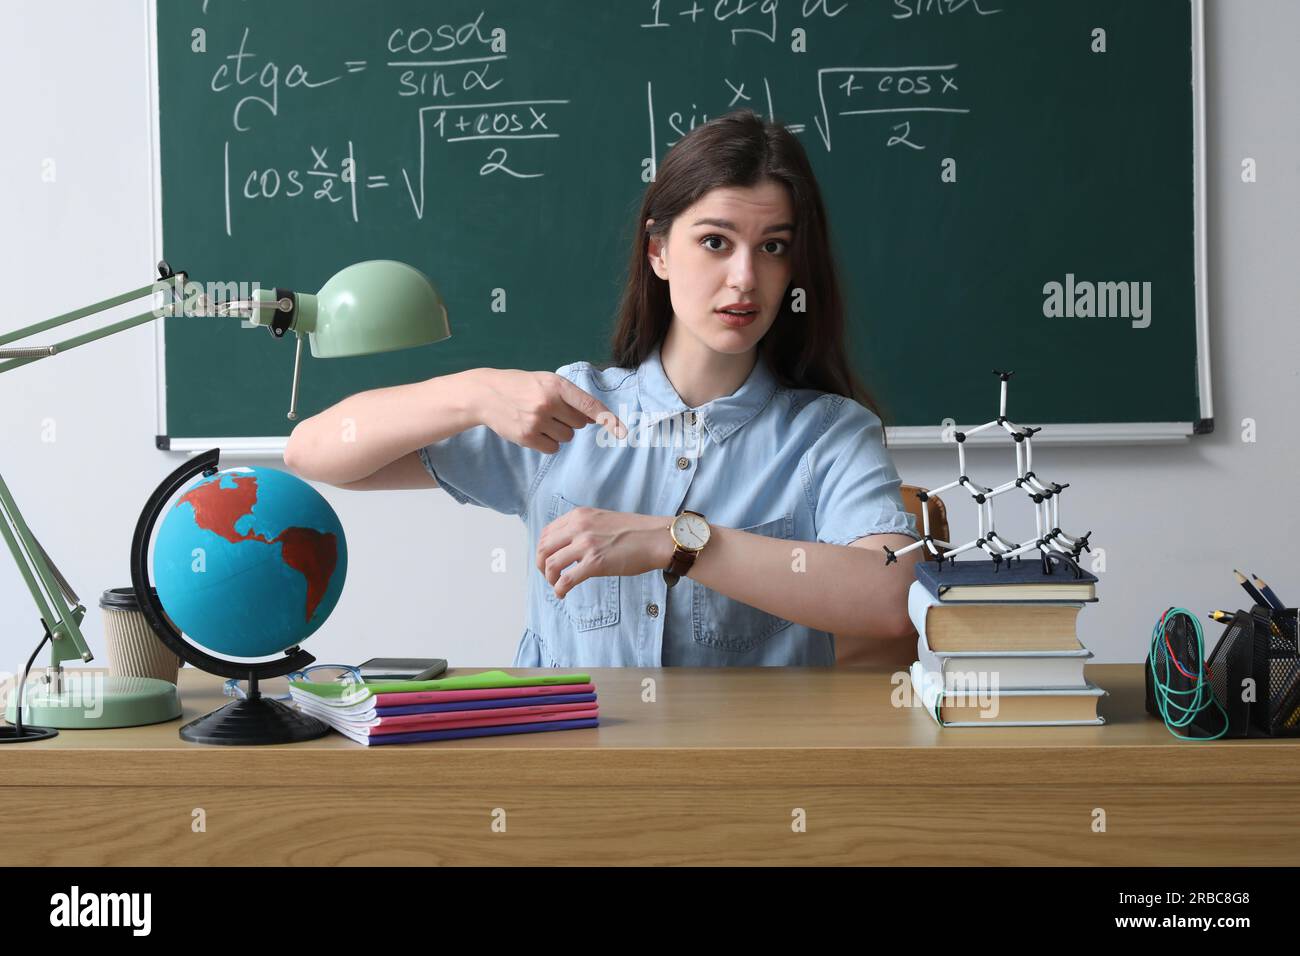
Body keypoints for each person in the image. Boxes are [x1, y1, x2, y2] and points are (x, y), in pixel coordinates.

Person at [284, 109, 922, 669]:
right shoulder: (564, 413)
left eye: (773, 247)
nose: (744, 278)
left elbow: (889, 598)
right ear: (659, 253)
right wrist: (474, 392)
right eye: (714, 242)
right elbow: (312, 453)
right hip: (568, 777)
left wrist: (674, 540)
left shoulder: (830, 434)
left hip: (748, 785)